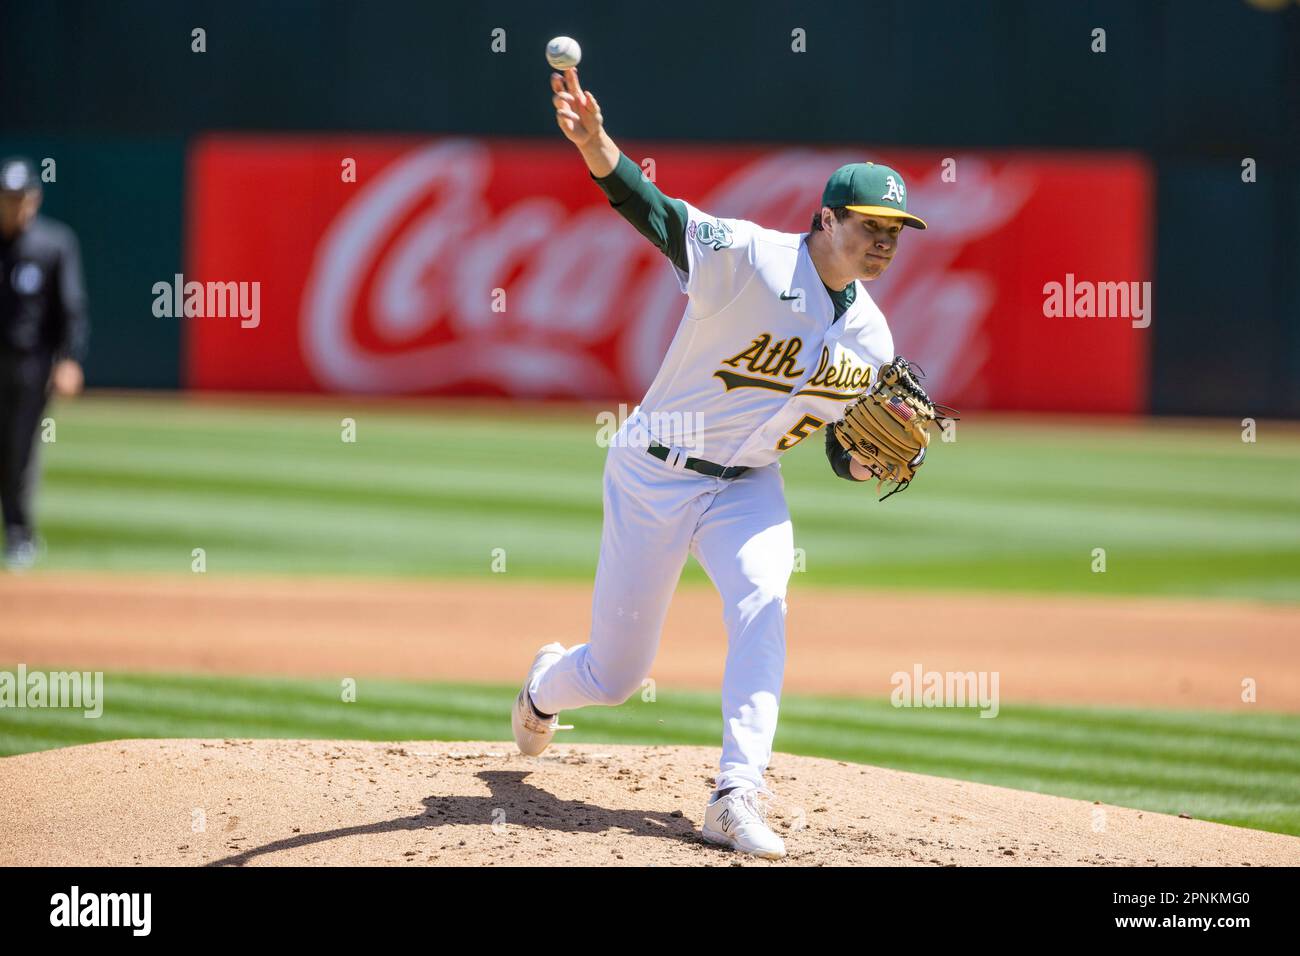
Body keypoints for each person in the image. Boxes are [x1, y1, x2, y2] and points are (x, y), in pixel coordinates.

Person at [511, 68, 928, 859]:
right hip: (654, 471)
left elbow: (838, 441)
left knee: (764, 601)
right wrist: (596, 145)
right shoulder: (748, 257)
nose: (883, 240)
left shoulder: (872, 337)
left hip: (748, 488)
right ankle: (541, 688)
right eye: (870, 223)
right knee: (614, 676)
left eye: (896, 229)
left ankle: (736, 794)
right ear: (826, 218)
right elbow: (658, 214)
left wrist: (862, 461)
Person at [0, 157, 88, 570]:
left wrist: (68, 358)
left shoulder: (53, 244)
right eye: (6, 198)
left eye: (20, 198)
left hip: (28, 364)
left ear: (34, 199)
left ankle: (19, 535)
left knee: (19, 451)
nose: (14, 205)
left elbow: (71, 308)